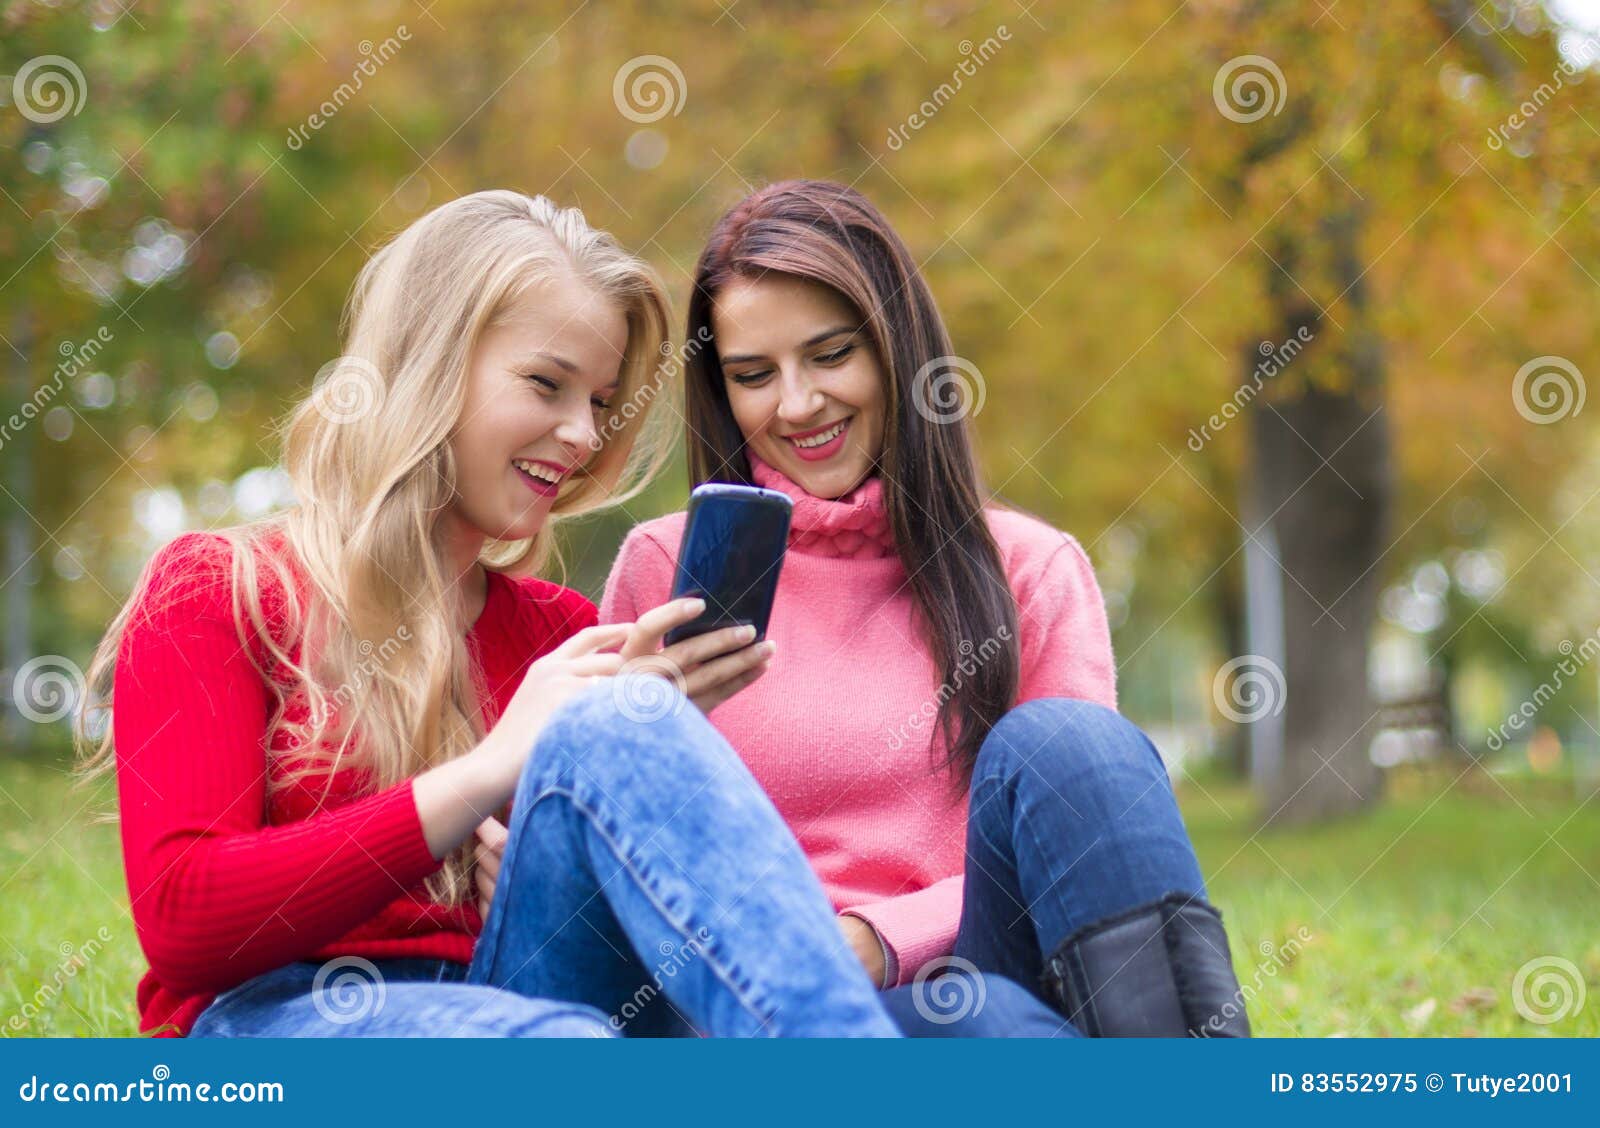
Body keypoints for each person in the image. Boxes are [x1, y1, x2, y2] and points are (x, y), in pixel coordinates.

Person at [75, 189, 897, 1038]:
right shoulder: (220, 589)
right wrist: (489, 771)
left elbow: (603, 955)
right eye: (547, 384)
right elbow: (184, 923)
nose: (582, 433)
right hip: (280, 1016)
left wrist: (598, 828)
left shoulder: (563, 634)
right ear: (429, 364)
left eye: (603, 402)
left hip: (512, 988)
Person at [597, 180, 1251, 1037]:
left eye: (831, 355)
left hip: (979, 961)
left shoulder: (1027, 567)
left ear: (897, 350)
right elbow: (613, 865)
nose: (796, 405)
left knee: (1071, 744)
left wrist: (879, 938)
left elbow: (1073, 845)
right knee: (992, 1033)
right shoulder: (665, 573)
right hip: (765, 1013)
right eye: (754, 375)